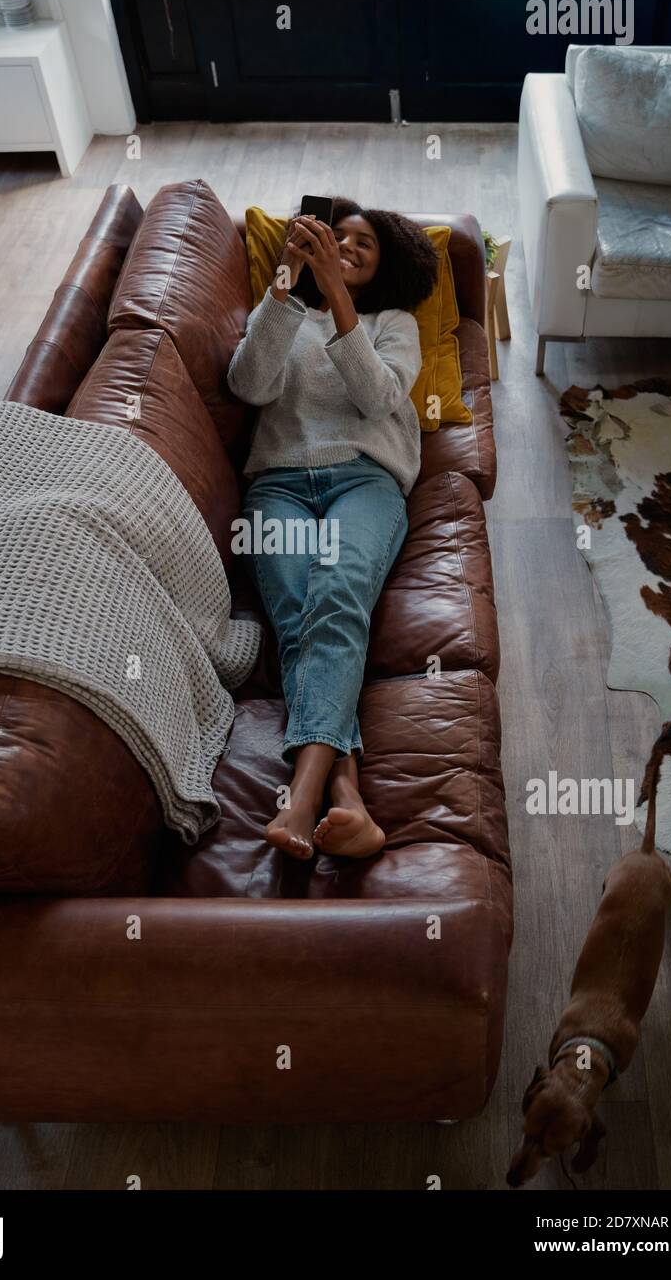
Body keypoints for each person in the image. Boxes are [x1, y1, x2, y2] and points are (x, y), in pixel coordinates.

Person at [227, 198, 438, 860]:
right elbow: (247, 384)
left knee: (336, 593)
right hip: (278, 484)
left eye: (362, 244)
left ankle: (300, 796)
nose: (344, 246)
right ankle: (347, 797)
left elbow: (378, 398)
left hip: (363, 481)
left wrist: (340, 300)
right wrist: (287, 280)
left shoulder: (391, 322)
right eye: (333, 236)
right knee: (299, 622)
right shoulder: (283, 311)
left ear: (385, 266)